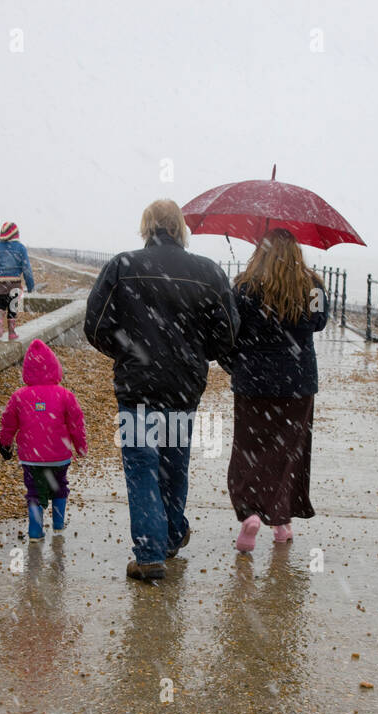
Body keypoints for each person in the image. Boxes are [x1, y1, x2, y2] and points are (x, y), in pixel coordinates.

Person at [84, 198, 239, 581]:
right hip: (183, 388)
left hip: (138, 389)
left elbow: (95, 323)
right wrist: (199, 353)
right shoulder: (208, 272)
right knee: (173, 464)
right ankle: (169, 537)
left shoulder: (123, 266)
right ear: (180, 228)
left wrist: (126, 353)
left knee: (141, 467)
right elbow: (229, 332)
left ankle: (151, 552)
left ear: (147, 226)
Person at [218, 228, 327, 552]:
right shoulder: (312, 285)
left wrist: (235, 365)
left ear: (260, 251)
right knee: (288, 454)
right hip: (297, 384)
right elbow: (319, 321)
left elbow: (228, 330)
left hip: (253, 383)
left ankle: (250, 513)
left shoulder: (243, 286)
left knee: (249, 450)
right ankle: (280, 523)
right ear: (296, 252)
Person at [0, 339, 88, 540]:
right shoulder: (65, 395)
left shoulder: (19, 396)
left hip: (31, 458)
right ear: (55, 368)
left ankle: (35, 531)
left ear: (27, 370)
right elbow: (76, 424)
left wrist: (5, 443)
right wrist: (80, 446)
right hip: (59, 456)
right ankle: (58, 524)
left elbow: (9, 422)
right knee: (59, 486)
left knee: (34, 492)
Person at [0, 221, 36, 341]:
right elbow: (27, 268)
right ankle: (11, 332)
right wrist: (30, 285)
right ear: (16, 235)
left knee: (0, 304)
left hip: (0, 283)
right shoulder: (21, 248)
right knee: (14, 307)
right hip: (15, 283)